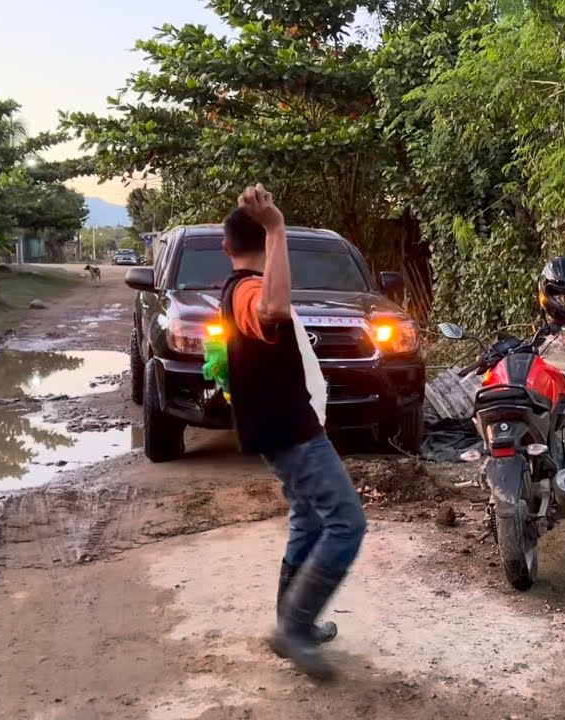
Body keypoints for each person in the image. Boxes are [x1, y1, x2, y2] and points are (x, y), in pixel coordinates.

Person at [218, 184, 367, 681]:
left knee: (308, 516)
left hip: (281, 426)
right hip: (290, 431)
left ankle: (290, 622)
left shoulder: (238, 287)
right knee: (347, 522)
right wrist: (277, 227)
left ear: (225, 247)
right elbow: (274, 310)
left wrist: (272, 234)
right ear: (261, 240)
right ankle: (296, 628)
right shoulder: (245, 291)